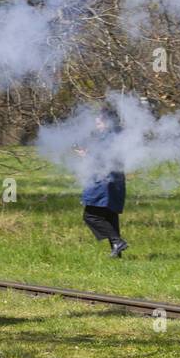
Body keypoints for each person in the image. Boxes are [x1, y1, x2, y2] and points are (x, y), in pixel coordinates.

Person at [78, 109, 128, 258]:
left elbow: (103, 158)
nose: (97, 125)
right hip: (115, 182)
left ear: (107, 123)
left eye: (99, 123)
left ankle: (117, 242)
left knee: (90, 216)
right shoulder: (119, 134)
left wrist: (86, 155)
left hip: (103, 182)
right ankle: (117, 252)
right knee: (110, 216)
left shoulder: (108, 137)